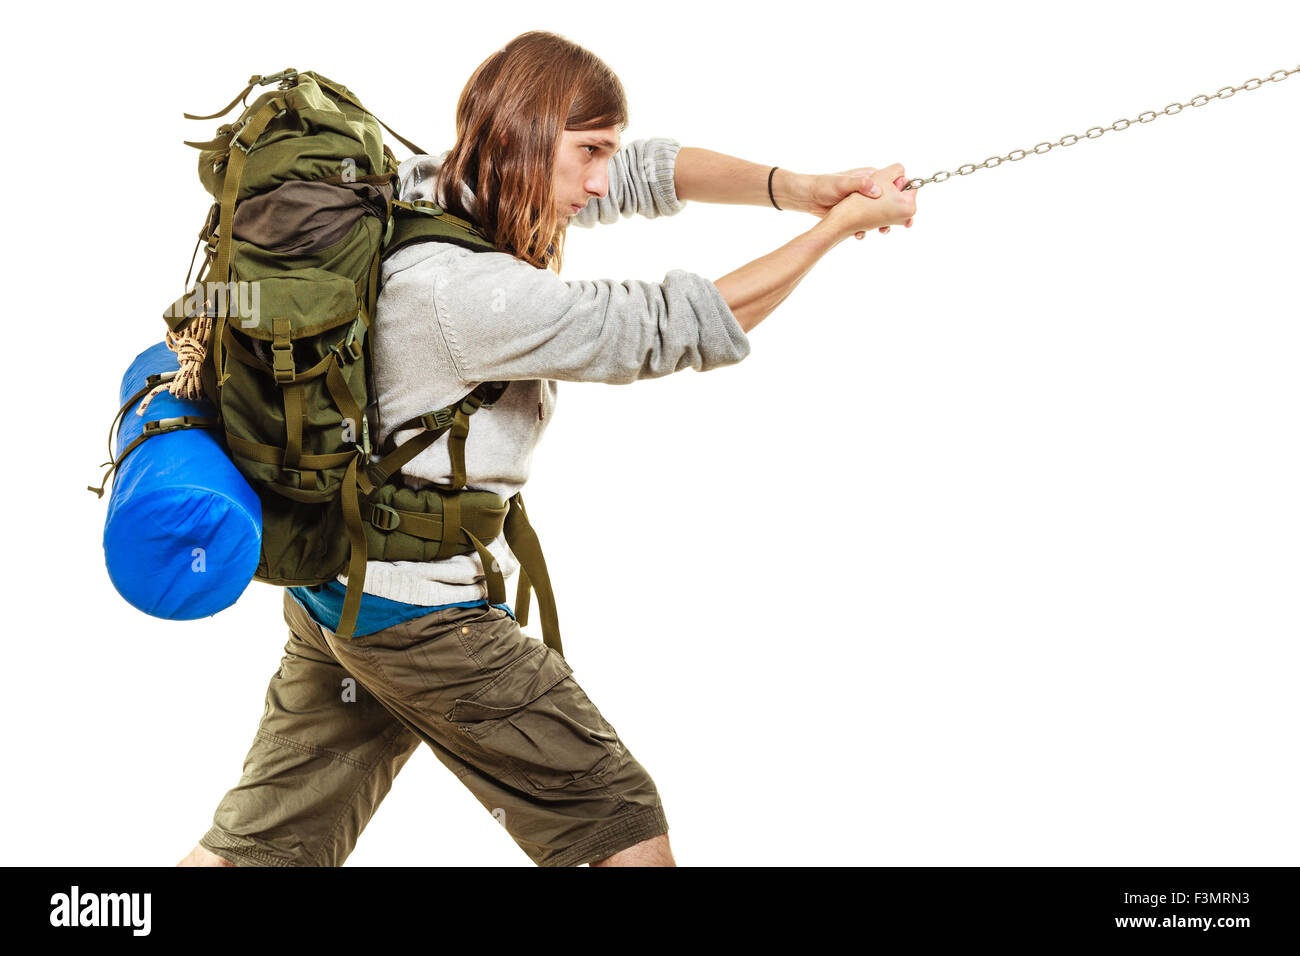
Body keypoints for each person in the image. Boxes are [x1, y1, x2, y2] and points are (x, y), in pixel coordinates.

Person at [178, 30, 916, 868]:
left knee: (262, 851)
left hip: (341, 593)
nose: (602, 179)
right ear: (526, 138)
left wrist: (804, 190)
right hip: (421, 621)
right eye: (588, 150)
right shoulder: (474, 294)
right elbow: (667, 328)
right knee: (622, 830)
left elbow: (648, 172)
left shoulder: (427, 183)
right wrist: (838, 231)